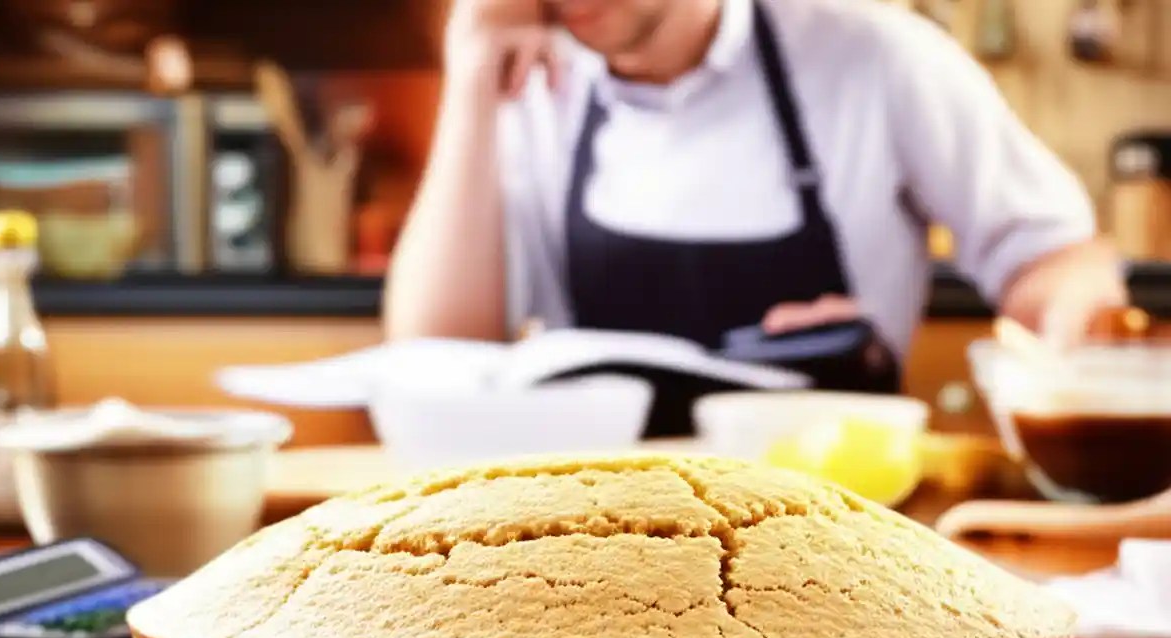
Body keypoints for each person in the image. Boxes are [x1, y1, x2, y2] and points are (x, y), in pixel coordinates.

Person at [385, 0, 1127, 430]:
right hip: (598, 539)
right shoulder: (529, 80)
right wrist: (470, 74)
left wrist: (1065, 354)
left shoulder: (876, 54)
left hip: (833, 536)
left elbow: (1058, 262)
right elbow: (435, 360)